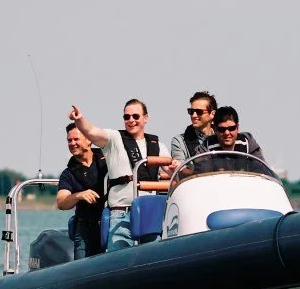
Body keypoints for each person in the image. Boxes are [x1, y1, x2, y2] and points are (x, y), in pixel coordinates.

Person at [69, 99, 169, 251]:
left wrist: (175, 167)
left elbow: (172, 173)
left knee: (152, 258)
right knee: (118, 261)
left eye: (136, 116)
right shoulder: (114, 139)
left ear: (145, 117)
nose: (131, 120)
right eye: (126, 117)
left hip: (149, 213)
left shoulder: (158, 146)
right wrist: (79, 119)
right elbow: (91, 131)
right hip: (121, 215)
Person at [56, 123, 107, 259]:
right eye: (69, 140)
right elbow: (61, 202)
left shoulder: (108, 160)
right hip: (85, 228)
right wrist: (79, 195)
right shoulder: (68, 174)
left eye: (76, 139)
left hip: (111, 222)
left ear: (89, 140)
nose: (72, 143)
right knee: (81, 268)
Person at [170, 90, 216, 167]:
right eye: (191, 111)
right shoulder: (179, 141)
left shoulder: (223, 137)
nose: (194, 115)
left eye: (199, 112)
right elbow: (180, 171)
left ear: (212, 114)